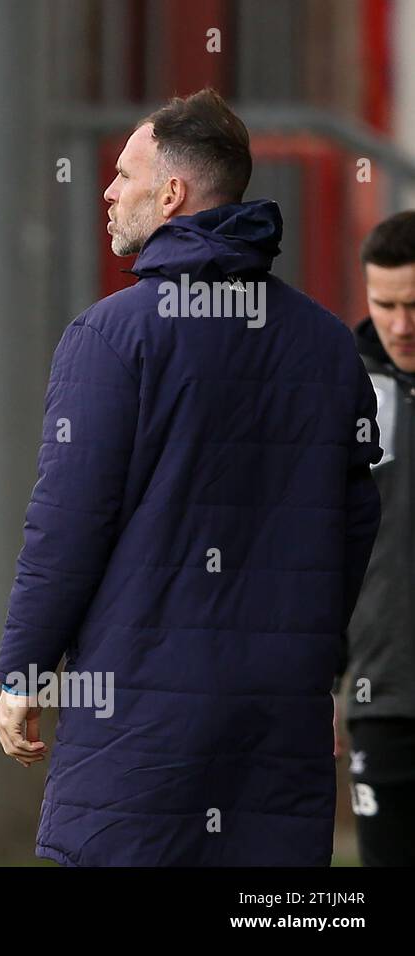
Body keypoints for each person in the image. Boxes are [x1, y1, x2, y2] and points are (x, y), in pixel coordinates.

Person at [0, 88, 382, 866]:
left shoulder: (111, 337)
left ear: (171, 194)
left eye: (125, 174)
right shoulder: (328, 345)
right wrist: (313, 658)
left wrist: (24, 671)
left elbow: (67, 522)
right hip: (278, 714)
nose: (108, 190)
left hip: (140, 719)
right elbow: (354, 525)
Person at [344, 210, 415, 866]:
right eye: (384, 304)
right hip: (383, 696)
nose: (401, 325)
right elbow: (313, 543)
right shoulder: (347, 392)